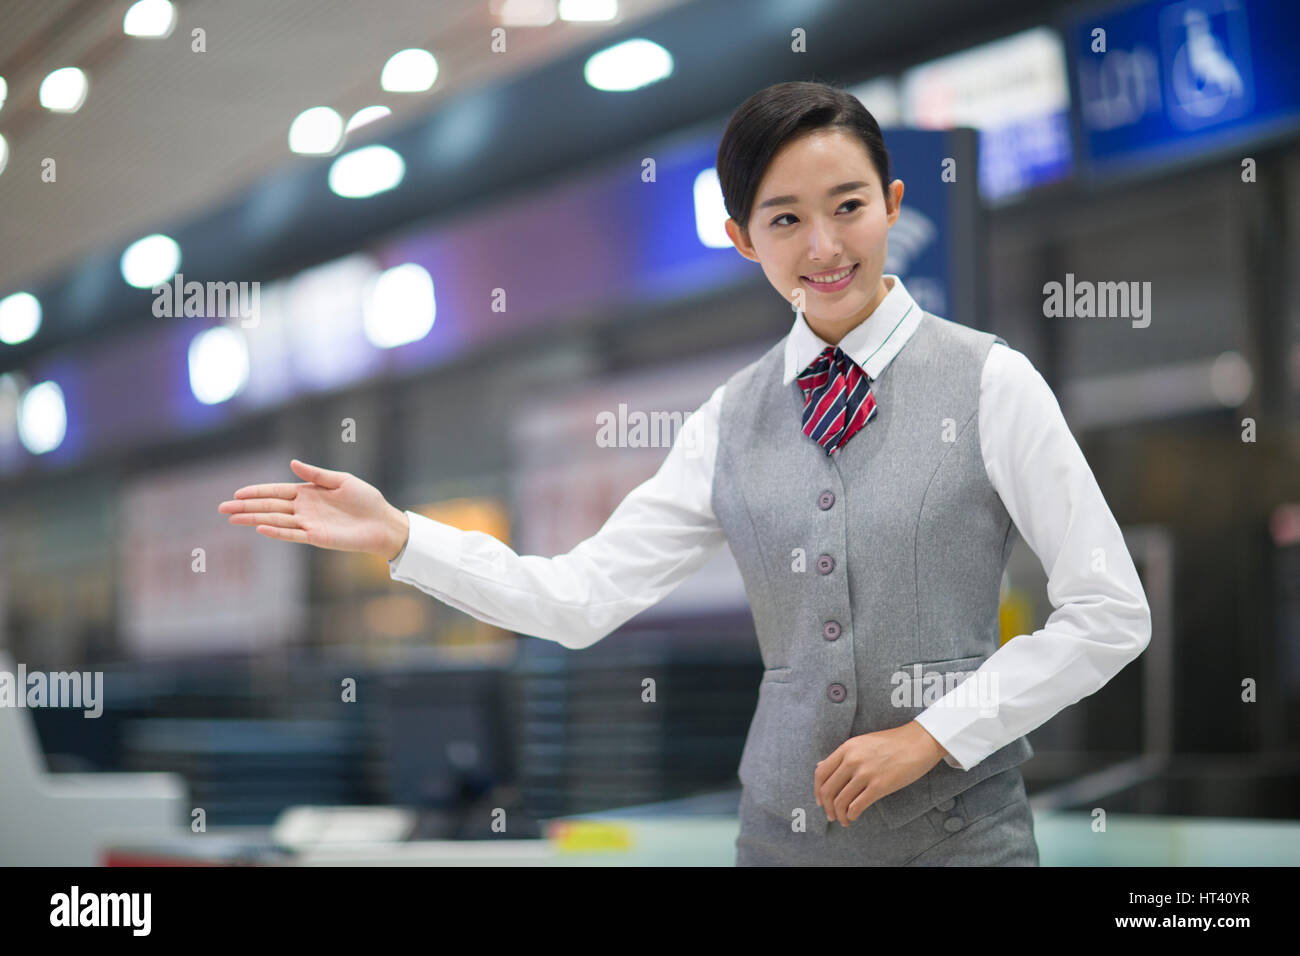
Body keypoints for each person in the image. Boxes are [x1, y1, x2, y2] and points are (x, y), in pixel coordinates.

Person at [218, 80, 1152, 866]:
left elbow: (1110, 612)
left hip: (962, 843)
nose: (825, 247)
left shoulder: (991, 381)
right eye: (786, 219)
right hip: (780, 841)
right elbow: (579, 600)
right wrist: (403, 536)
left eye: (849, 207)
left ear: (895, 204)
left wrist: (932, 735)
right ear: (744, 239)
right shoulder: (727, 422)